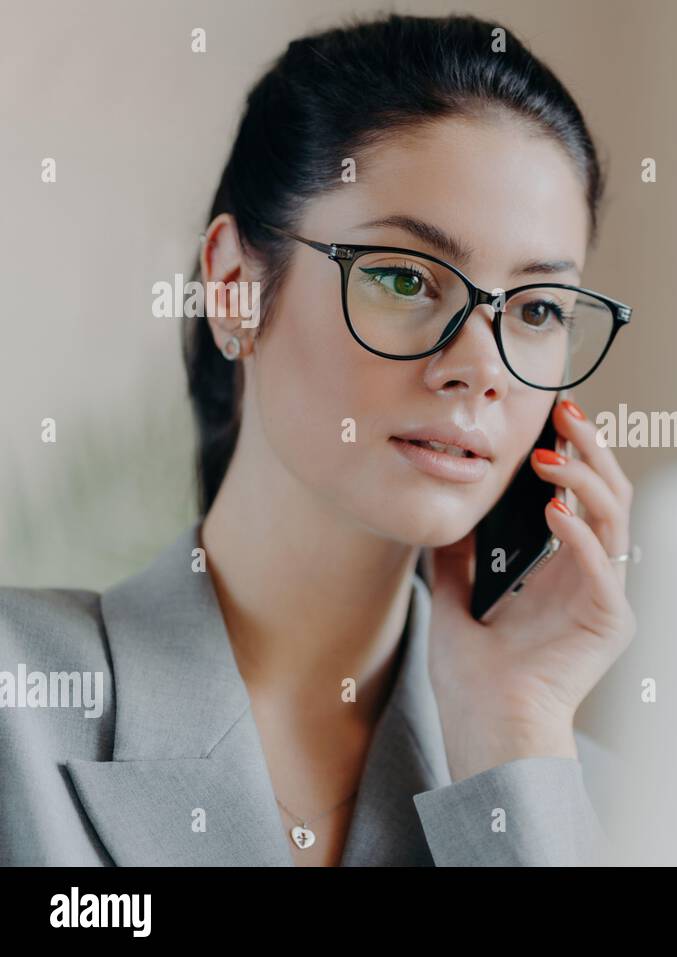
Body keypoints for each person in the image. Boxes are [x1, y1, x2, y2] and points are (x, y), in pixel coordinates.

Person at [0, 12, 636, 866]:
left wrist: (512, 729)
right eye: (404, 276)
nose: (482, 366)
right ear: (233, 287)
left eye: (537, 309)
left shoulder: (579, 803)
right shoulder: (21, 702)